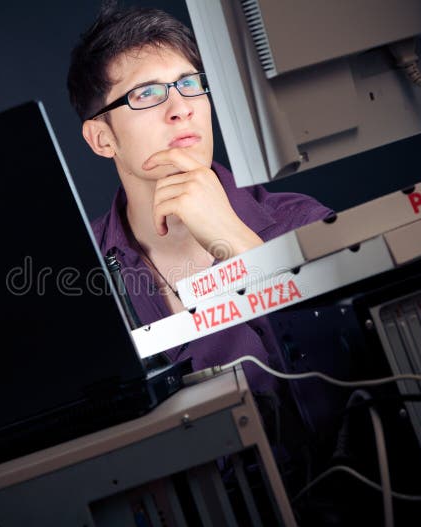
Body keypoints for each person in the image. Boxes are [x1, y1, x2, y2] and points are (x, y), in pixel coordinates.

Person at [66, 2, 333, 398]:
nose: (181, 108)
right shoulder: (78, 271)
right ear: (102, 139)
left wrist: (239, 246)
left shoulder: (304, 225)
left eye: (190, 84)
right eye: (146, 93)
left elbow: (355, 378)